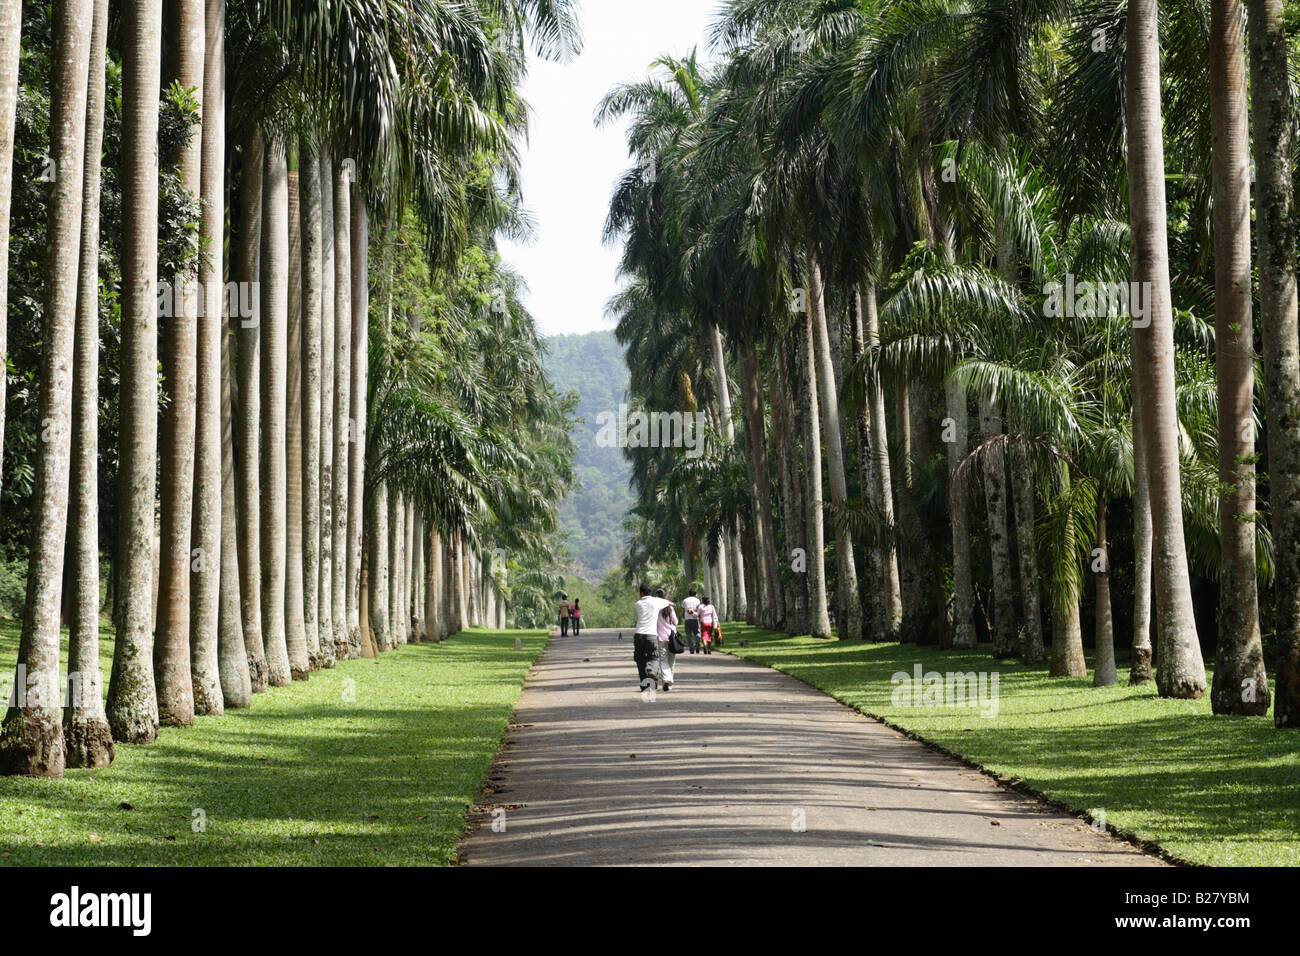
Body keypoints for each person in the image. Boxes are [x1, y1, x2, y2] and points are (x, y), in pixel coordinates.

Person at [633, 585, 670, 692]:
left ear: (641, 593)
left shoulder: (638, 603)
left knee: (640, 660)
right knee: (653, 657)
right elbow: (669, 603)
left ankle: (645, 685)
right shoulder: (656, 601)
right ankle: (652, 671)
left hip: (639, 634)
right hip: (651, 635)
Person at [655, 588, 679, 690]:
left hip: (660, 638)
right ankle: (668, 683)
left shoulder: (656, 608)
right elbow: (676, 621)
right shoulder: (670, 608)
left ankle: (666, 680)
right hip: (671, 637)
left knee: (663, 660)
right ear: (665, 597)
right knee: (671, 661)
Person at [682, 589, 702, 654]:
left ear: (689, 594)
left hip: (687, 619)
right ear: (695, 594)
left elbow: (683, 609)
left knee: (688, 634)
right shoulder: (697, 600)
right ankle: (697, 644)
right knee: (697, 632)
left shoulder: (685, 600)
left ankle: (691, 648)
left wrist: (684, 617)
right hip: (695, 618)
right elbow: (698, 609)